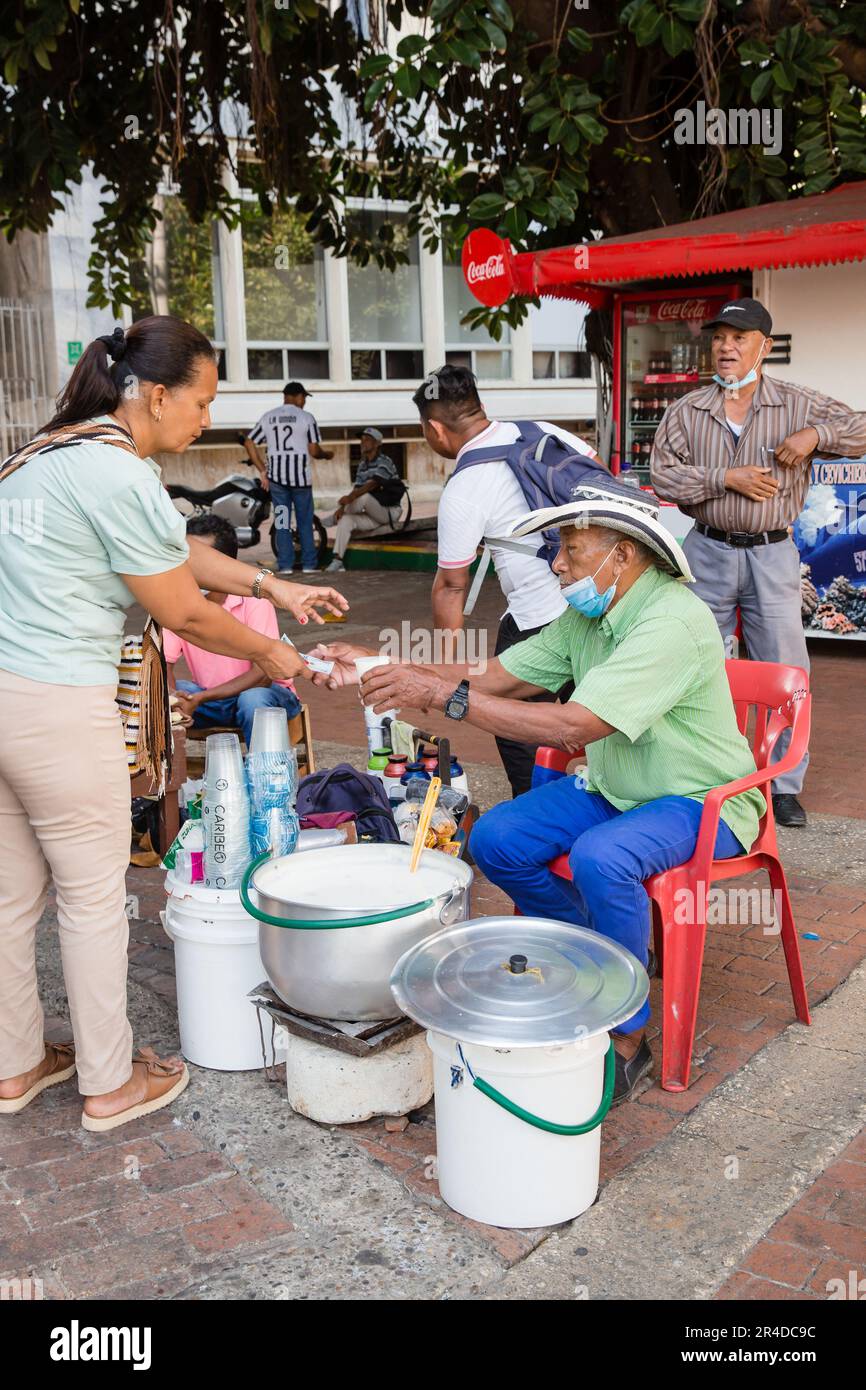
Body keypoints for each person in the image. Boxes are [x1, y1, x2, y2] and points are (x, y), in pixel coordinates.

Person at [0, 317, 347, 1133]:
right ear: (155, 396)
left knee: (12, 899)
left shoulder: (40, 456)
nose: (205, 419)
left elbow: (172, 553)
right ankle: (111, 1083)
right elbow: (183, 608)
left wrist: (273, 589)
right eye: (203, 401)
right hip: (58, 705)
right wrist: (276, 655)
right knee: (91, 899)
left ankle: (15, 1065)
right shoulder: (117, 474)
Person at [311, 487, 765, 1102]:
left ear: (623, 556)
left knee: (605, 858)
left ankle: (628, 1030)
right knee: (496, 838)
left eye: (572, 552)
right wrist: (377, 664)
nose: (558, 565)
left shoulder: (672, 622)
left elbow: (575, 726)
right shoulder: (589, 616)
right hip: (616, 787)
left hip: (702, 798)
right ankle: (594, 951)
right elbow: (495, 676)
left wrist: (442, 698)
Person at [650, 296, 866, 828]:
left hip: (773, 552)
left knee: (786, 670)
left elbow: (861, 426)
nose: (726, 347)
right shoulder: (688, 410)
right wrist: (725, 478)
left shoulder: (797, 404)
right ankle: (695, 774)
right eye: (719, 338)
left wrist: (817, 435)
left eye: (739, 338)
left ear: (764, 348)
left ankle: (782, 783)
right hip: (706, 548)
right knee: (689, 661)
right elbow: (661, 476)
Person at [412, 363, 601, 798]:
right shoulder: (544, 431)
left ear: (436, 429)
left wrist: (444, 670)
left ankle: (534, 814)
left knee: (515, 730)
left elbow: (452, 585)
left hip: (539, 619)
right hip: (602, 605)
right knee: (604, 723)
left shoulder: (465, 486)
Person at [165, 513, 302, 742]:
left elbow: (264, 675)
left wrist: (201, 698)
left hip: (267, 695)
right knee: (161, 694)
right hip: (209, 699)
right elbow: (164, 665)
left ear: (223, 565)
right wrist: (175, 701)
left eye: (197, 560)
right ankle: (166, 776)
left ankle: (268, 774)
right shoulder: (180, 602)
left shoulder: (254, 601)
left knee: (252, 699)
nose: (189, 567)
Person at [245, 381, 333, 574]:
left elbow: (249, 442)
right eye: (304, 398)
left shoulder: (269, 418)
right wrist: (326, 454)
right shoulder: (306, 418)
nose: (305, 402)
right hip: (301, 481)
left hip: (278, 482)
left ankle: (285, 566)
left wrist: (262, 469)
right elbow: (313, 450)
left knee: (283, 522)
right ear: (297, 396)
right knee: (304, 521)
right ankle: (309, 565)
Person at [323, 427, 406, 572]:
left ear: (377, 444)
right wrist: (342, 509)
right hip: (373, 515)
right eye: (362, 440)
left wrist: (350, 498)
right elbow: (357, 489)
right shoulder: (362, 465)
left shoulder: (384, 461)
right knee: (346, 520)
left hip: (390, 513)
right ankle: (338, 561)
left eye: (367, 440)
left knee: (364, 496)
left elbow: (372, 484)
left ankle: (331, 519)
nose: (363, 442)